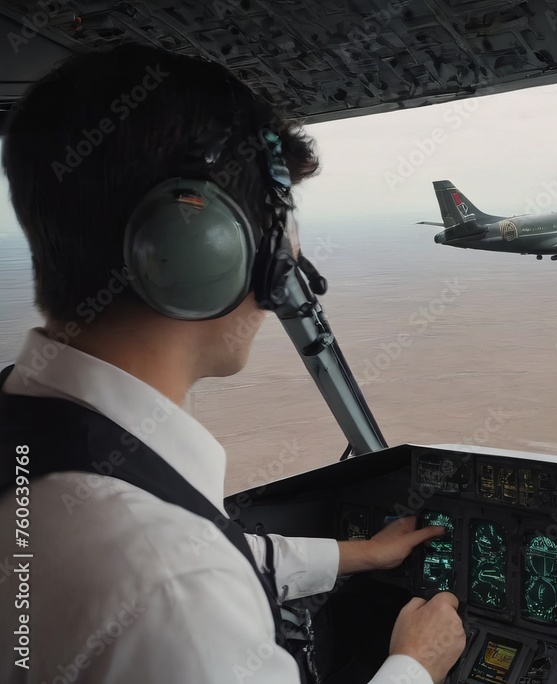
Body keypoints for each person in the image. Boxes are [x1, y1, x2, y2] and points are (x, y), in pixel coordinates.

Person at [0, 44, 465, 683]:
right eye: (279, 226)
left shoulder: (32, 431)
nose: (291, 257)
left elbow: (195, 543)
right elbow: (174, 569)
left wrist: (356, 554)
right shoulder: (173, 590)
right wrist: (415, 665)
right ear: (200, 245)